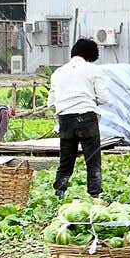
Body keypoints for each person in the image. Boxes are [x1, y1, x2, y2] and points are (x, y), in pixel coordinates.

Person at [48, 37, 107, 199]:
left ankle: (59, 193)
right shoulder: (93, 70)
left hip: (65, 119)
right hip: (86, 118)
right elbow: (103, 98)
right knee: (92, 160)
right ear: (90, 56)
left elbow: (50, 101)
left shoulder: (58, 72)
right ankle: (95, 195)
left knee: (66, 161)